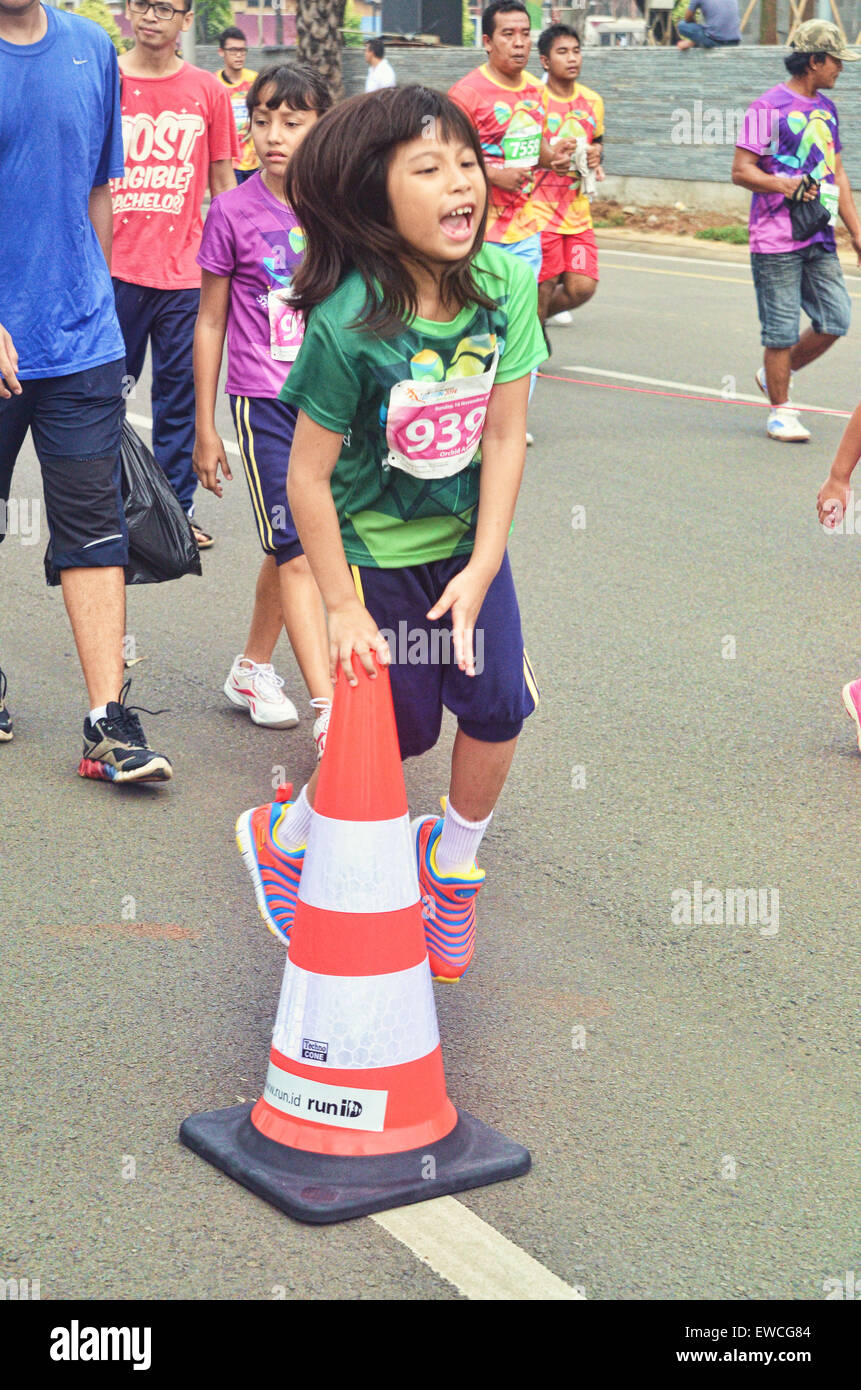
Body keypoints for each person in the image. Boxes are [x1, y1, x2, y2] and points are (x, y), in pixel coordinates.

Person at [234, 86, 546, 980]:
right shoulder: (346, 325)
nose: (461, 183)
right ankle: (285, 834)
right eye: (428, 167)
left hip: (462, 549)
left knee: (498, 707)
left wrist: (485, 562)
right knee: (398, 735)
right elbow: (306, 476)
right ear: (375, 198)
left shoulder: (505, 285)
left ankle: (450, 866)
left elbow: (500, 434)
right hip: (372, 558)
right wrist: (341, 607)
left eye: (466, 163)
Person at [0, 0, 171, 782]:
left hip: (79, 341)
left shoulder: (89, 47)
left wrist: (99, 299)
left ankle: (108, 722)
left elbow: (100, 190)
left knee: (94, 524)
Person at [193, 65, 332, 757]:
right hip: (265, 404)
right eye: (261, 119)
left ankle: (251, 667)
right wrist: (205, 424)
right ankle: (330, 708)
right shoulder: (232, 211)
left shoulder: (343, 208)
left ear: (320, 127)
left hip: (331, 411)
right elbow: (210, 321)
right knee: (299, 549)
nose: (273, 136)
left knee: (292, 546)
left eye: (292, 121)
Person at [111, 0, 238, 546]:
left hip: (186, 274)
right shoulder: (104, 77)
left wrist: (242, 264)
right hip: (112, 268)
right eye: (142, 3)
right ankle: (109, 510)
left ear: (187, 19)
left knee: (179, 397)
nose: (152, 16)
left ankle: (170, 513)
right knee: (102, 395)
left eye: (167, 7)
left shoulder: (209, 91)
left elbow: (223, 184)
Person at [732, 21, 861, 443]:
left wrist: (856, 232)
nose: (840, 68)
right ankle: (780, 411)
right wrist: (783, 183)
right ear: (814, 61)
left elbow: (837, 172)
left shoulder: (827, 109)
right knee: (782, 330)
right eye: (835, 60)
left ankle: (773, 376)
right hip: (776, 236)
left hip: (819, 233)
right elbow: (741, 170)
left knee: (835, 317)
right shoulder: (767, 108)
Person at [532, 24, 604, 342]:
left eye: (576, 51)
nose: (572, 58)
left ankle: (532, 323)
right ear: (545, 61)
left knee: (582, 286)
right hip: (537, 212)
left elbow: (598, 145)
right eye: (562, 52)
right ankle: (529, 346)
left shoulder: (593, 102)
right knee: (543, 283)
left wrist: (596, 159)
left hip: (577, 214)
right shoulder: (533, 100)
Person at [216, 25, 259, 184]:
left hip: (253, 162)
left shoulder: (254, 80)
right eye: (233, 50)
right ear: (221, 52)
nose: (239, 55)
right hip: (228, 164)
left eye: (242, 50)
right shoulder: (215, 84)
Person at [676, 0, 741, 50]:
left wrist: (694, 22)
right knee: (709, 30)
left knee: (682, 25)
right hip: (735, 41)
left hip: (715, 41)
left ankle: (696, 42)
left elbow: (688, 18)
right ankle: (695, 42)